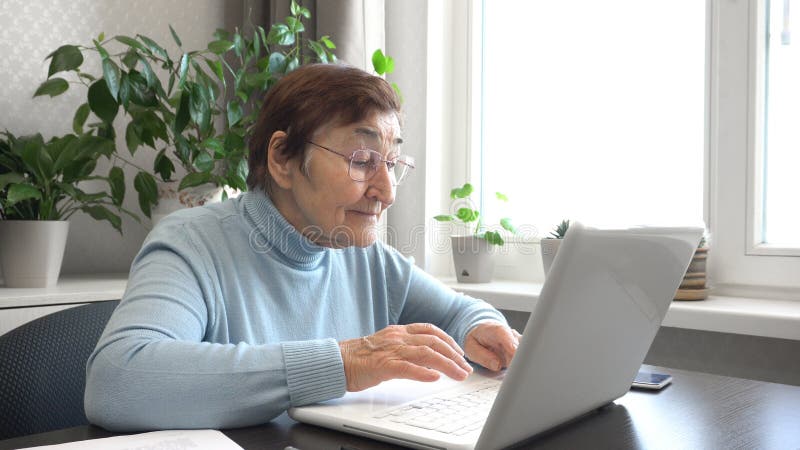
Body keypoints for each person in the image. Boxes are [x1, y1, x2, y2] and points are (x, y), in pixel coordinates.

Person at [84, 63, 521, 431]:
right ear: (282, 159)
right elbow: (117, 379)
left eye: (390, 164)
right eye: (362, 161)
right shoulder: (192, 244)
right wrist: (345, 363)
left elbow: (457, 311)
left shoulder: (362, 254)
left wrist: (481, 327)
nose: (386, 192)